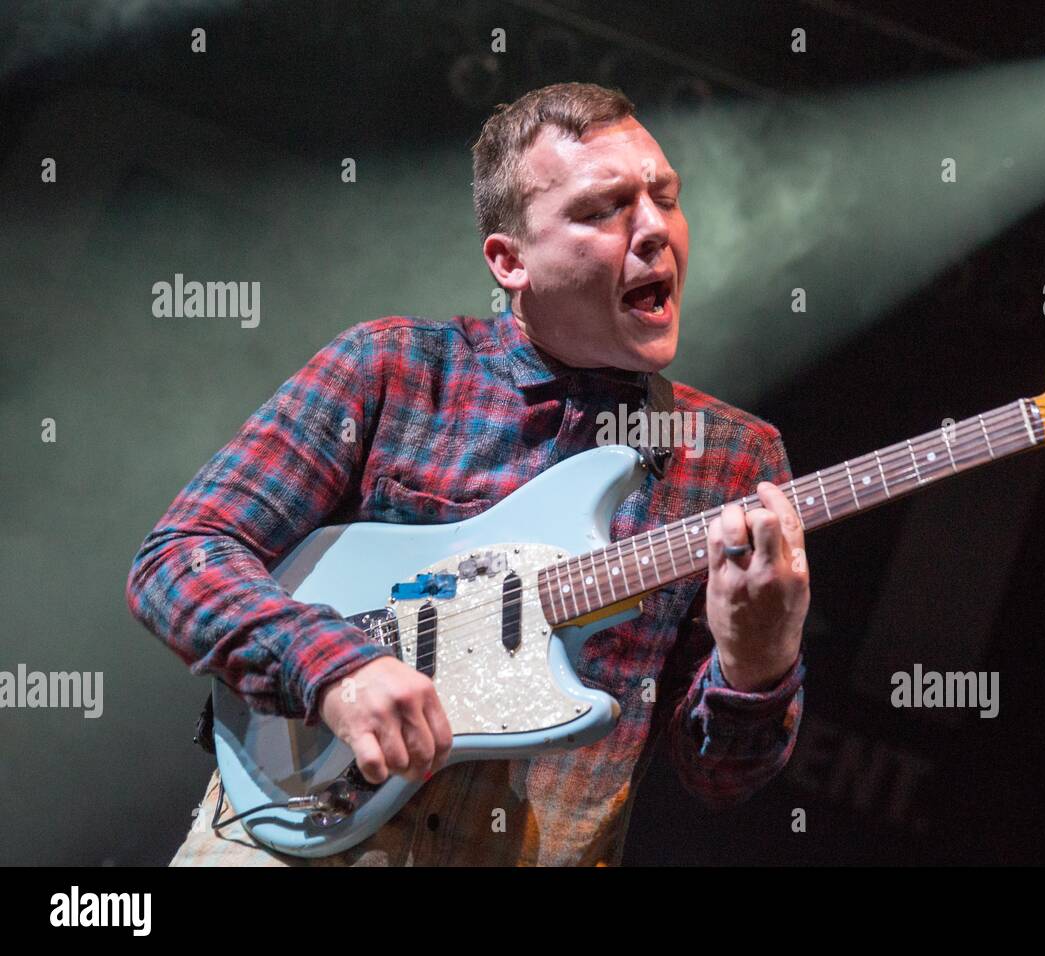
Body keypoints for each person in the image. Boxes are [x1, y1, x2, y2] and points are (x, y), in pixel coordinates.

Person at [126, 81, 809, 866]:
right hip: (289, 838)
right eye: (605, 209)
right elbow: (181, 555)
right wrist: (332, 669)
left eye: (665, 197)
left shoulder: (733, 458)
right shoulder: (393, 367)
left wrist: (760, 661)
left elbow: (722, 779)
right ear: (509, 260)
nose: (655, 229)